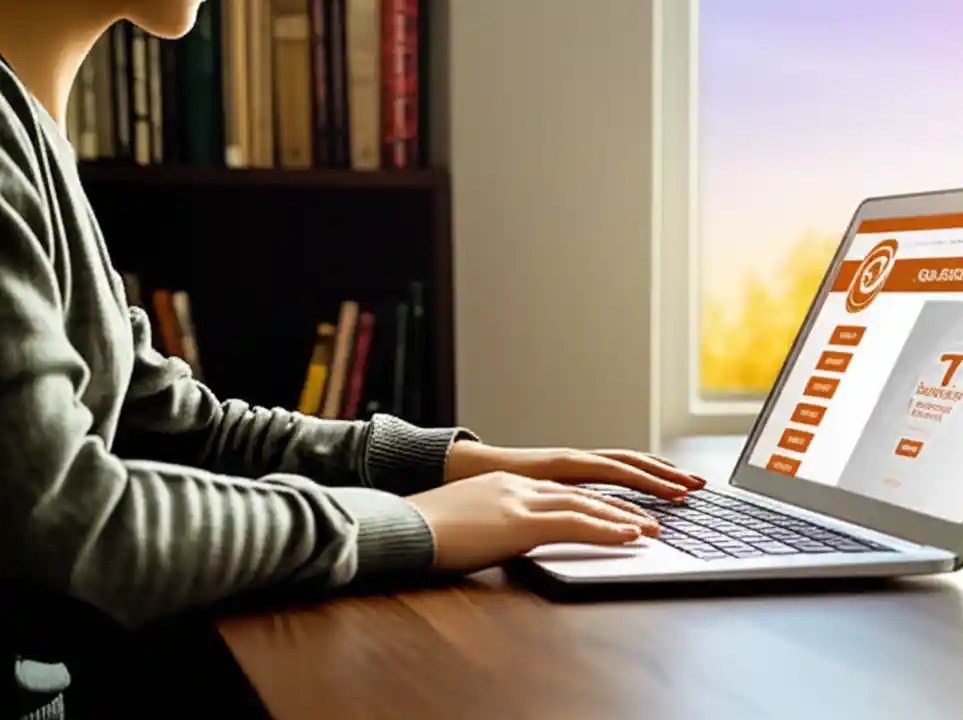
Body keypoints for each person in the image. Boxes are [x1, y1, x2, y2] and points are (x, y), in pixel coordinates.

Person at [0, 1, 703, 717]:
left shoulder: (25, 128)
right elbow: (68, 525)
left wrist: (453, 465)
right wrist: (414, 527)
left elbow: (175, 430)